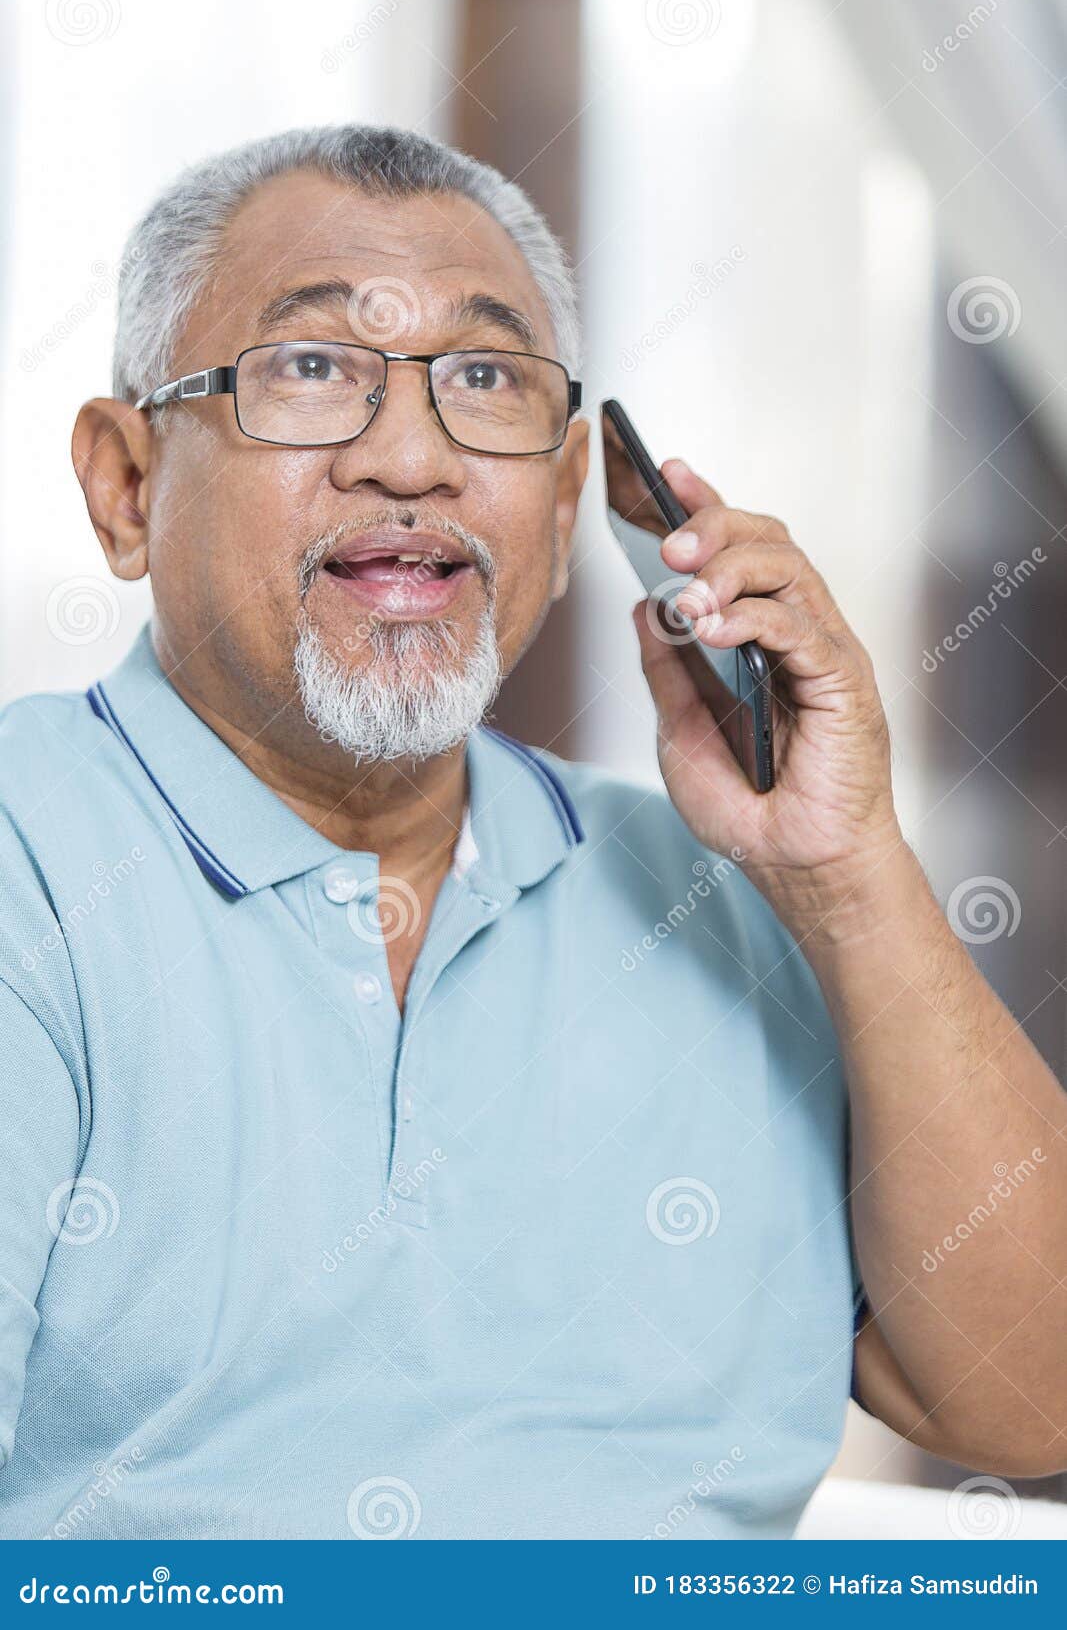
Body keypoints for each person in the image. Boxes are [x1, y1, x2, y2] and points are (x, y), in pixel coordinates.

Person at [0, 125, 1063, 1541]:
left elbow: (1029, 1395)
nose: (410, 456)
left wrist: (846, 871)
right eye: (313, 369)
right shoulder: (36, 857)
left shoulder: (730, 891)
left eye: (484, 380)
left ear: (568, 506)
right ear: (126, 484)